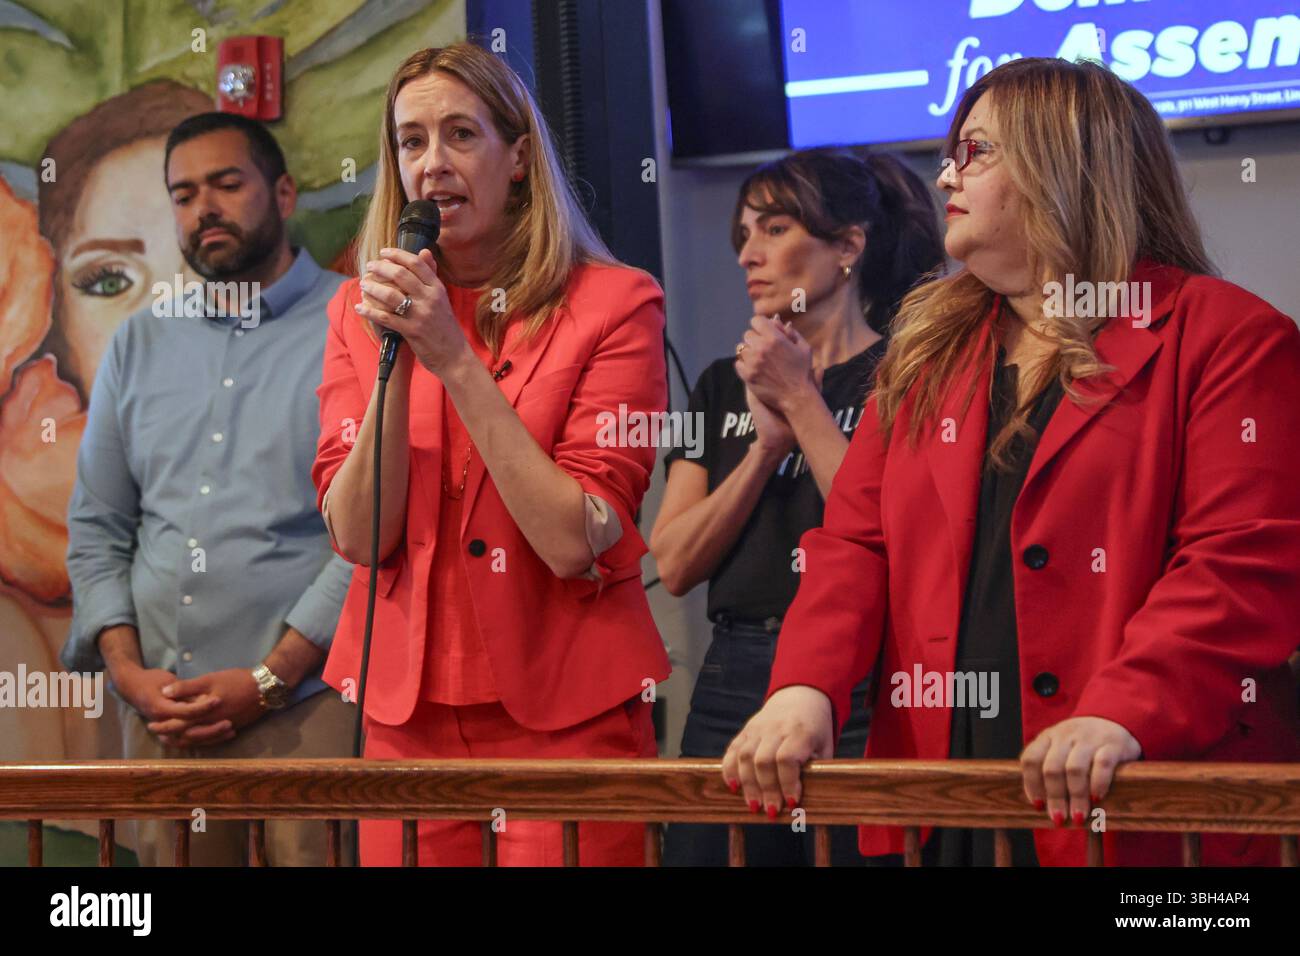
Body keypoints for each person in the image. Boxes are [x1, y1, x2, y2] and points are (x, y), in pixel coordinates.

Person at [722, 57, 1300, 867]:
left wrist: (1123, 712)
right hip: (952, 795)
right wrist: (803, 689)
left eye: (978, 151)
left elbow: (1239, 565)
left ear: (1064, 164)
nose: (947, 172)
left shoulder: (1227, 336)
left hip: (1136, 794)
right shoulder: (926, 353)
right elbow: (856, 544)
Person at [312, 42, 668, 866]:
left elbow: (576, 537)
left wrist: (453, 357)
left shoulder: (616, 304)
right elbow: (361, 537)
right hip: (408, 721)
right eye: (411, 141)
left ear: (517, 158)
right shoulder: (351, 314)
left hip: (567, 716)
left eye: (461, 135)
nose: (432, 164)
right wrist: (397, 358)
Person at [62, 112, 354, 866]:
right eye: (184, 194)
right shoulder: (139, 342)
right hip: (165, 718)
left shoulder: (356, 326)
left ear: (283, 193)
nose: (205, 210)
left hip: (312, 710)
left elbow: (377, 534)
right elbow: (98, 530)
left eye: (227, 184)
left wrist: (271, 678)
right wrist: (128, 675)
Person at [651, 148, 943, 865]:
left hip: (858, 683)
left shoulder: (911, 371)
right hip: (730, 678)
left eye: (775, 229)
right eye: (743, 236)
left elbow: (897, 539)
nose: (749, 254)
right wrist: (762, 450)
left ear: (847, 246)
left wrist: (801, 401)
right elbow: (675, 560)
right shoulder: (722, 384)